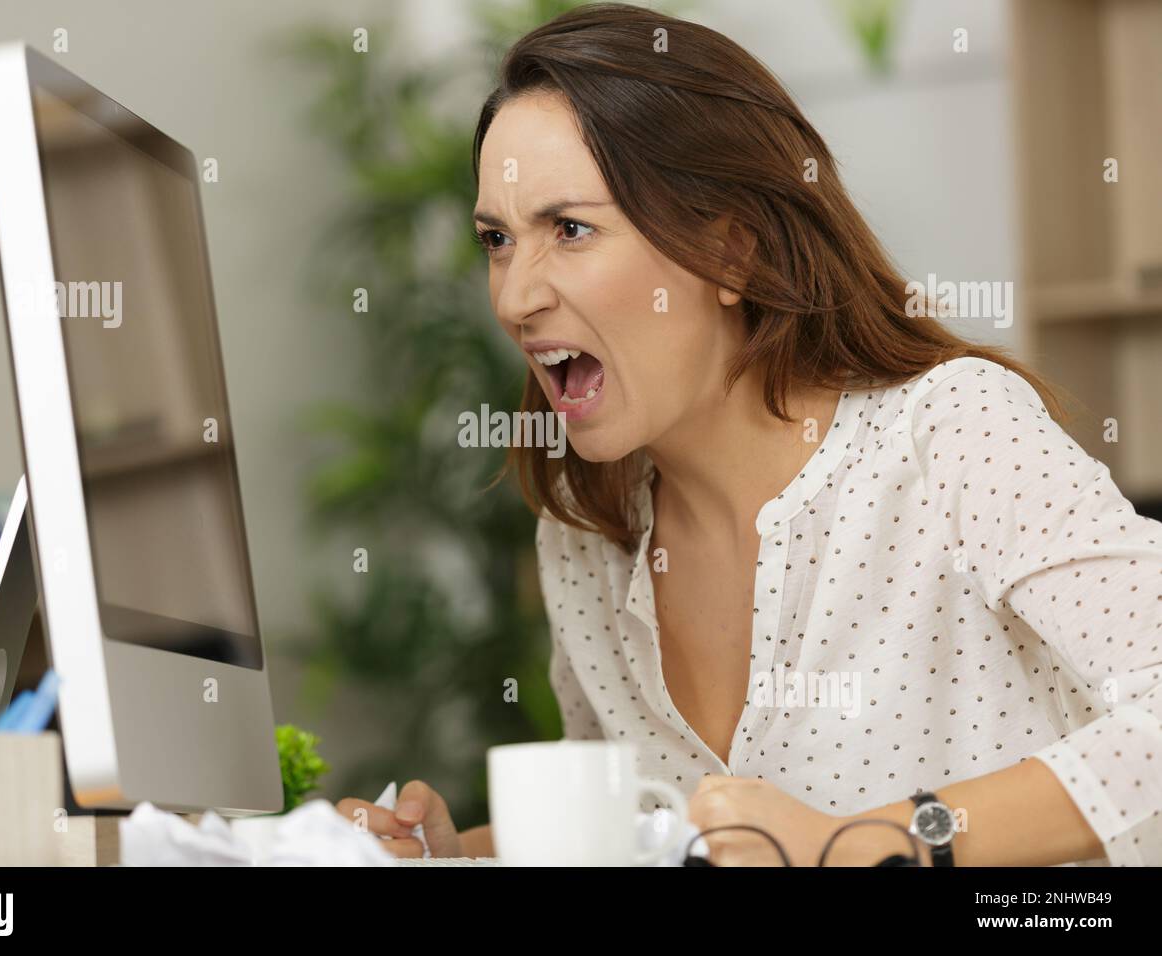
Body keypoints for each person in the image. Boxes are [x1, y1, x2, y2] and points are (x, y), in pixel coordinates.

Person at [336, 2, 1162, 865]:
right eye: (497, 240)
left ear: (730, 253)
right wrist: (458, 855)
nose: (513, 298)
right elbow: (642, 826)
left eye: (570, 229)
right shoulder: (585, 535)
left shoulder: (950, 433)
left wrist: (868, 845)